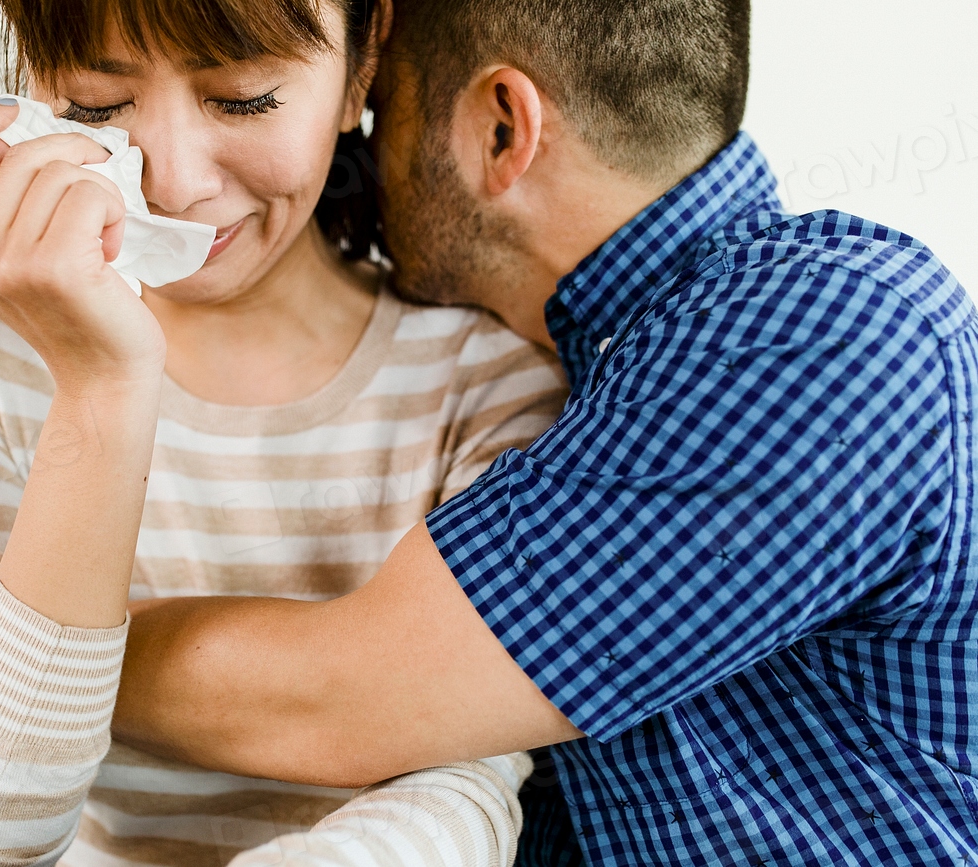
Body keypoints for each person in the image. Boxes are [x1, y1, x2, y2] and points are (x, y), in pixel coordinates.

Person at [104, 1, 978, 865]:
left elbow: (335, 700)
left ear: (501, 128)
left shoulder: (828, 328)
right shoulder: (582, 372)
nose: (353, 165)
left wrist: (0, 655)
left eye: (383, 114)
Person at [0, 0, 571, 864]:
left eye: (243, 99)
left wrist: (82, 664)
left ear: (362, 63)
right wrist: (103, 389)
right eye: (95, 105)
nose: (174, 183)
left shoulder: (484, 380)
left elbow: (458, 803)